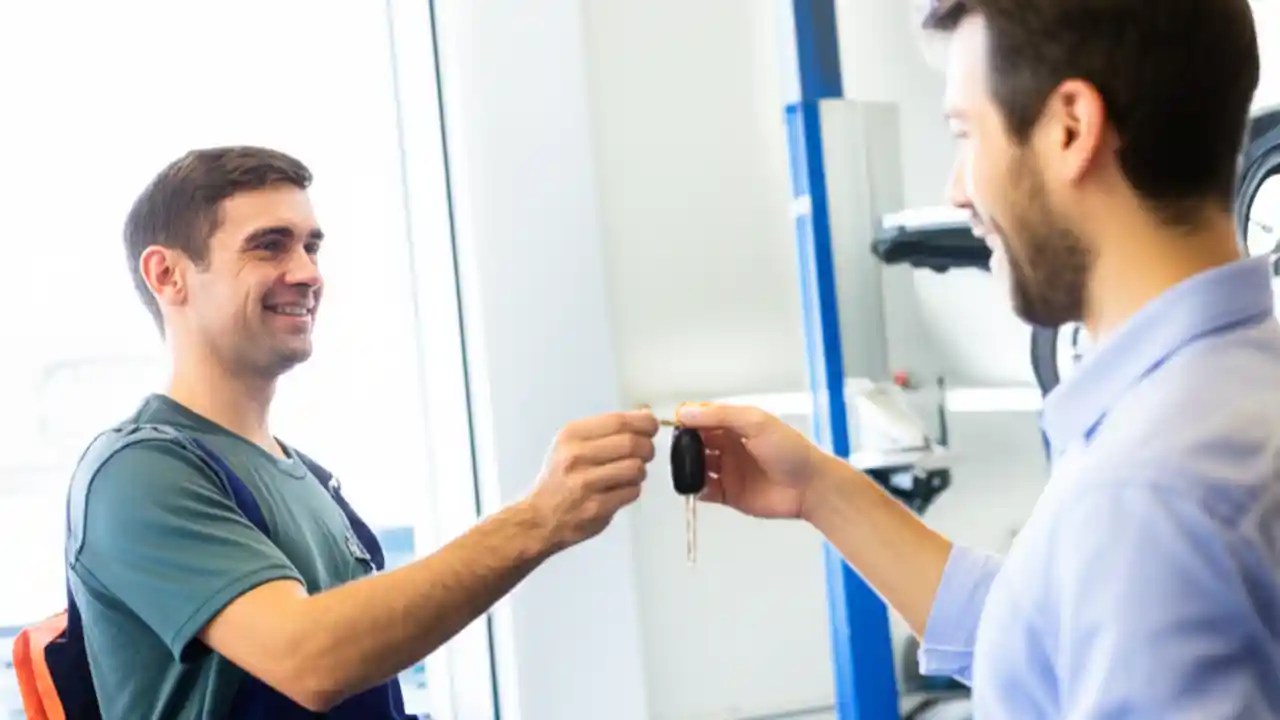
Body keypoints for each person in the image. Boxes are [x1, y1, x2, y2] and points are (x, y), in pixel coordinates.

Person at [677, 0, 1280, 716]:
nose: (958, 189)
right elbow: (1046, 631)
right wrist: (821, 491)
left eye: (967, 135)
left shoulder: (1145, 493)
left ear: (1070, 129)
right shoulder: (1231, 390)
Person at [66, 146, 659, 718]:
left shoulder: (308, 478)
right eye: (269, 246)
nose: (306, 273)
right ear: (167, 275)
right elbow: (311, 661)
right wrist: (539, 518)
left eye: (311, 247)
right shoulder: (139, 473)